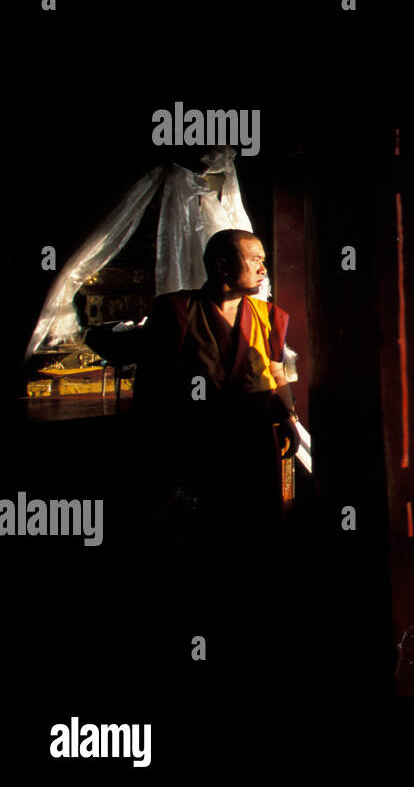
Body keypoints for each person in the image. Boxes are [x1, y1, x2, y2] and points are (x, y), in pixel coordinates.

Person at [93, 228, 301, 688]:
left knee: (259, 529)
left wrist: (287, 417)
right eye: (256, 260)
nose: (264, 269)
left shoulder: (266, 314)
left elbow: (277, 368)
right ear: (223, 267)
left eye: (265, 260)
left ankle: (257, 629)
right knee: (203, 536)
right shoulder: (177, 310)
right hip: (199, 439)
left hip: (253, 436)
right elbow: (154, 381)